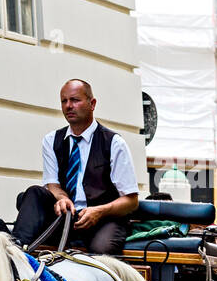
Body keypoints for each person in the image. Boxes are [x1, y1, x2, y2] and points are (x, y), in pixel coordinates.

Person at [11, 79, 139, 255]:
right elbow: (52, 185)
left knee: (101, 251)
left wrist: (99, 211)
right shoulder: (51, 141)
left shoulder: (114, 143)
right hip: (64, 218)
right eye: (64, 101)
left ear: (92, 103)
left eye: (75, 100)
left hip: (104, 220)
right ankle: (15, 253)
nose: (68, 106)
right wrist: (62, 198)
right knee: (33, 193)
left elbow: (131, 201)